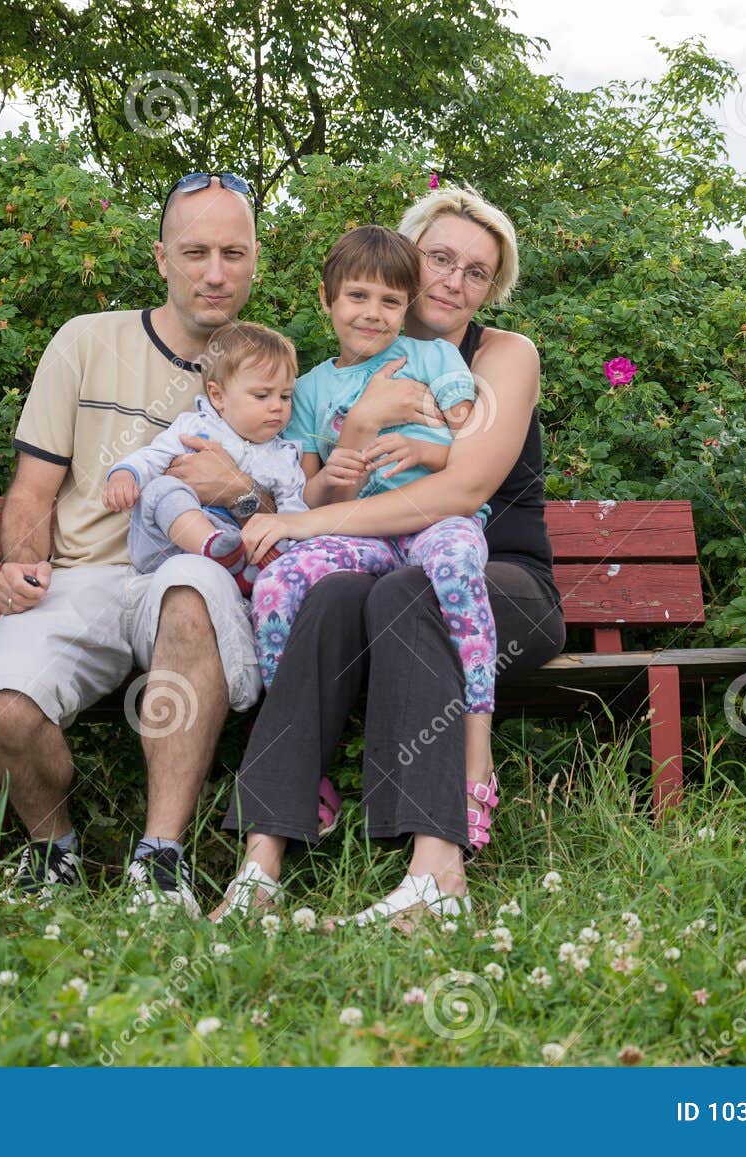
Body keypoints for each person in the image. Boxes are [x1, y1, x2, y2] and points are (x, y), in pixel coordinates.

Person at [215, 184, 566, 930]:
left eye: (477, 271)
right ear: (409, 262)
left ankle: (438, 869)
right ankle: (263, 853)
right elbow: (324, 471)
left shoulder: (502, 356)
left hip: (502, 577)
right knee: (332, 596)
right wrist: (358, 430)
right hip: (388, 559)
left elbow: (460, 487)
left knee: (406, 589)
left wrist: (313, 523)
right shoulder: (346, 370)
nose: (453, 280)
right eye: (440, 258)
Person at [0, 172, 278, 918]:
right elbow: (33, 490)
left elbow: (288, 513)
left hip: (191, 573)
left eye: (232, 253)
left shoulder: (267, 366)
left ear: (255, 260)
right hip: (78, 578)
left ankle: (160, 861)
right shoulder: (85, 341)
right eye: (195, 251)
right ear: (161, 257)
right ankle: (55, 850)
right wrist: (18, 564)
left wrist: (234, 485)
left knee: (193, 588)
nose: (214, 271)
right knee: (7, 714)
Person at [104, 322, 306, 596]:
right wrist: (125, 474)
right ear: (218, 395)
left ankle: (238, 565)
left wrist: (285, 540)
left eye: (285, 396)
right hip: (163, 544)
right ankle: (210, 546)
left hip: (232, 550)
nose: (276, 406)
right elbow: (154, 456)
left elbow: (293, 513)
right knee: (162, 489)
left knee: (277, 534)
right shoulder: (195, 427)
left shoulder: (284, 457)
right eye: (261, 395)